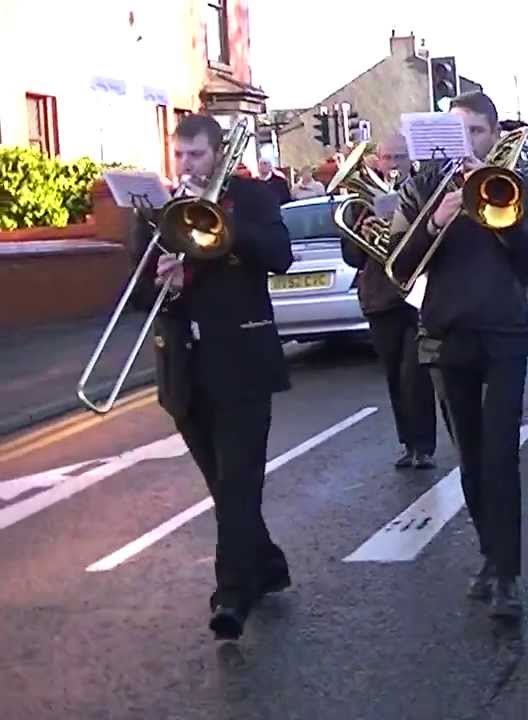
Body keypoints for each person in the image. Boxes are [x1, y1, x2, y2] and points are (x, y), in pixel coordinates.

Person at [384, 91, 528, 617]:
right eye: (457, 133)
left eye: (476, 132)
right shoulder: (420, 189)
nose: (467, 143)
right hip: (443, 334)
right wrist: (434, 222)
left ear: (494, 136)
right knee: (472, 459)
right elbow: (397, 266)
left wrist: (495, 213)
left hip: (503, 333)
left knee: (501, 455)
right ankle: (489, 553)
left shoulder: (516, 185)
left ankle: (508, 574)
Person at [150, 113, 294, 640]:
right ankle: (268, 564)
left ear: (218, 155)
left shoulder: (252, 198)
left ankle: (231, 596)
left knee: (237, 482)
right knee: (223, 486)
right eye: (181, 155)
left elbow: (280, 255)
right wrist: (160, 279)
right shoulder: (160, 210)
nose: (187, 165)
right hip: (185, 369)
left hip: (243, 361)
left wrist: (224, 232)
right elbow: (139, 293)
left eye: (197, 155)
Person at [342, 132, 440, 470]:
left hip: (415, 296)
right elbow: (352, 257)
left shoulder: (422, 192)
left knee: (415, 374)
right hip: (379, 297)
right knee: (393, 375)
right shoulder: (361, 202)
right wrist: (365, 230)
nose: (392, 164)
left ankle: (424, 445)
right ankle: (408, 443)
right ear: (376, 161)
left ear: (409, 159)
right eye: (386, 158)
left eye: (398, 157)